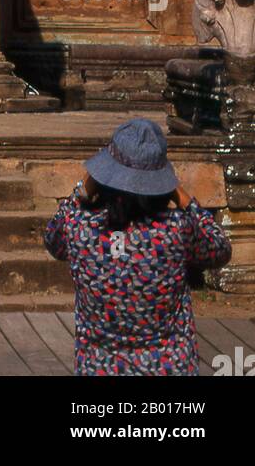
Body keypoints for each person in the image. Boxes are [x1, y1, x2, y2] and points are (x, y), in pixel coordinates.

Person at [44, 116, 232, 375]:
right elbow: (220, 249)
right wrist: (185, 199)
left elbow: (52, 241)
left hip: (99, 369)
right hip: (168, 368)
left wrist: (82, 189)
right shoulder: (176, 229)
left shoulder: (79, 225)